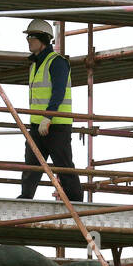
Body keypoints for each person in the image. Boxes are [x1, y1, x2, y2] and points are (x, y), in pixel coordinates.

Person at [18, 19, 84, 202]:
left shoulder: (57, 62)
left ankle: (76, 201)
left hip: (57, 125)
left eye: (31, 37)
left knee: (63, 166)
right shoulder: (34, 65)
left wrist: (49, 117)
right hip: (38, 123)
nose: (28, 40)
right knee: (32, 164)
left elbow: (59, 91)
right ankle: (25, 197)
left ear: (43, 39)